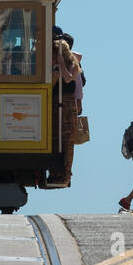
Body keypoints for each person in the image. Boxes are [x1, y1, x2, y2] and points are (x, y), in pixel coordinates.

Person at [48, 28, 83, 188]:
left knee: (67, 141)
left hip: (67, 103)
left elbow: (69, 79)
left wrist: (61, 64)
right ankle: (55, 173)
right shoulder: (52, 64)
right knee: (54, 139)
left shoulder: (74, 64)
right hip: (54, 101)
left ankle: (65, 175)